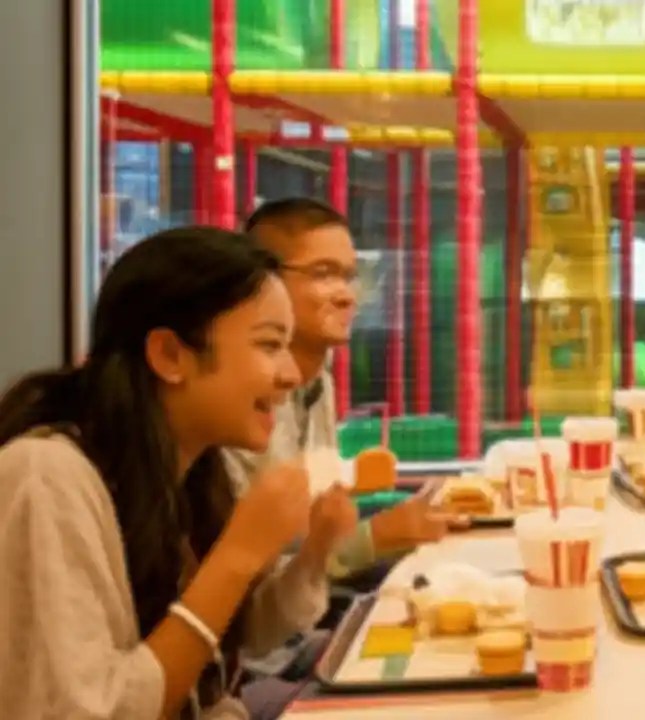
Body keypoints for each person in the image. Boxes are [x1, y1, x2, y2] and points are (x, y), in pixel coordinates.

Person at [0, 227, 357, 719]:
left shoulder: (192, 470)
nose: (290, 375)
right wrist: (239, 554)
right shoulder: (45, 477)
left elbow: (239, 634)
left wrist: (314, 550)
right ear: (170, 355)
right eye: (269, 344)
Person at [227, 198, 462, 581]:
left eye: (349, 277)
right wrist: (373, 539)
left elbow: (313, 526)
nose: (347, 296)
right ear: (262, 282)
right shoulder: (240, 403)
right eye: (323, 274)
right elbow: (253, 580)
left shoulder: (319, 381)